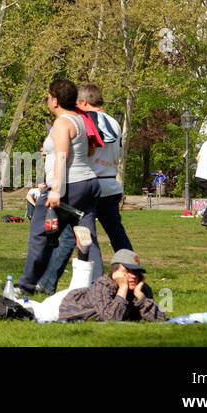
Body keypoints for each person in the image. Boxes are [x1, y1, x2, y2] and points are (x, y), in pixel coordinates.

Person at [37, 83, 132, 289]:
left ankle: (84, 281)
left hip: (89, 184)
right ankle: (131, 271)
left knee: (79, 236)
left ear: (84, 102)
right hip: (111, 183)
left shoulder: (87, 120)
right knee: (117, 234)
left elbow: (83, 151)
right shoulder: (114, 123)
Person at [16, 79, 102, 297]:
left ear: (54, 100)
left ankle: (26, 284)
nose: (47, 100)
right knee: (85, 236)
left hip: (68, 185)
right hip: (88, 183)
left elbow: (63, 155)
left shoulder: (62, 122)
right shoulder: (80, 120)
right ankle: (98, 286)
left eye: (48, 96)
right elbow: (83, 151)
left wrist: (55, 190)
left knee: (39, 234)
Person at [15, 242, 166, 324]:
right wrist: (123, 288)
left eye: (136, 272)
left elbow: (160, 319)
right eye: (127, 271)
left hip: (81, 297)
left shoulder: (141, 289)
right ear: (115, 273)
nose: (133, 276)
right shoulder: (104, 285)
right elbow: (112, 318)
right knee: (28, 309)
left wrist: (140, 297)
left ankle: (83, 252)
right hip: (64, 305)